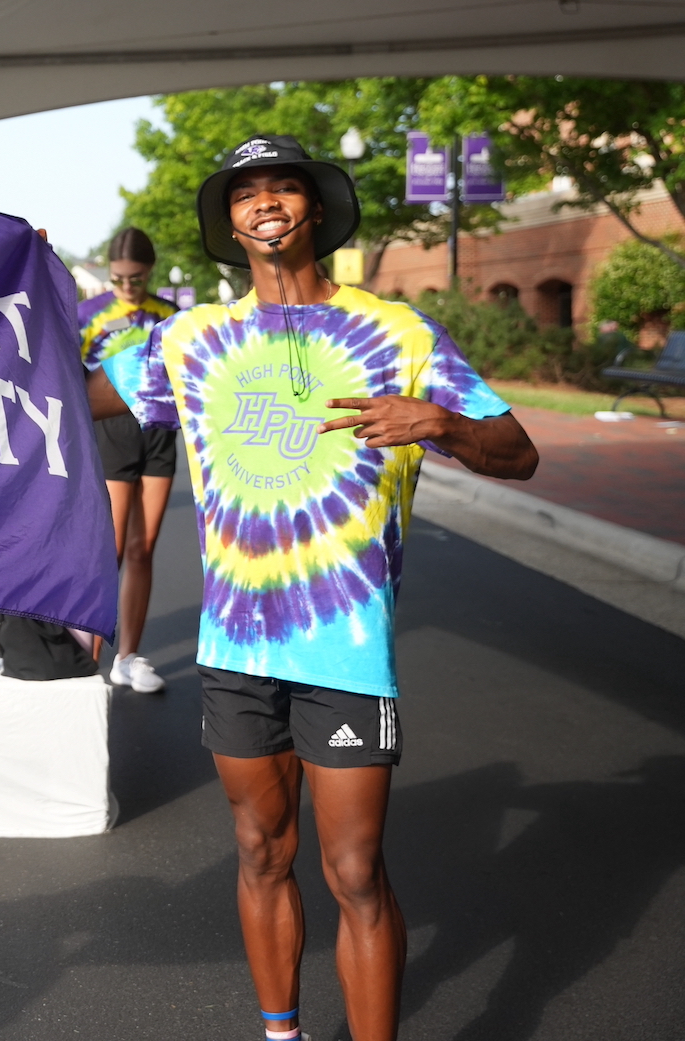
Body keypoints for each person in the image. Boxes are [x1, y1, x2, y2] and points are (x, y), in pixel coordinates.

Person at [87, 136, 537, 1041]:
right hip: (235, 649)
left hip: (345, 650)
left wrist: (441, 423)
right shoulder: (188, 339)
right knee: (260, 850)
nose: (265, 203)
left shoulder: (399, 334)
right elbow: (66, 391)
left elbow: (519, 451)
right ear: (229, 223)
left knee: (356, 870)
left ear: (315, 208)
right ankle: (281, 1033)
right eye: (245, 193)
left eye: (283, 186)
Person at [77, 226, 179, 694]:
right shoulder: (88, 316)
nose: (127, 287)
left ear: (149, 272)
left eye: (135, 279)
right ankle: (86, 662)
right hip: (111, 430)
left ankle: (128, 657)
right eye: (119, 279)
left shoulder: (172, 316)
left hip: (158, 433)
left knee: (143, 546)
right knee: (111, 548)